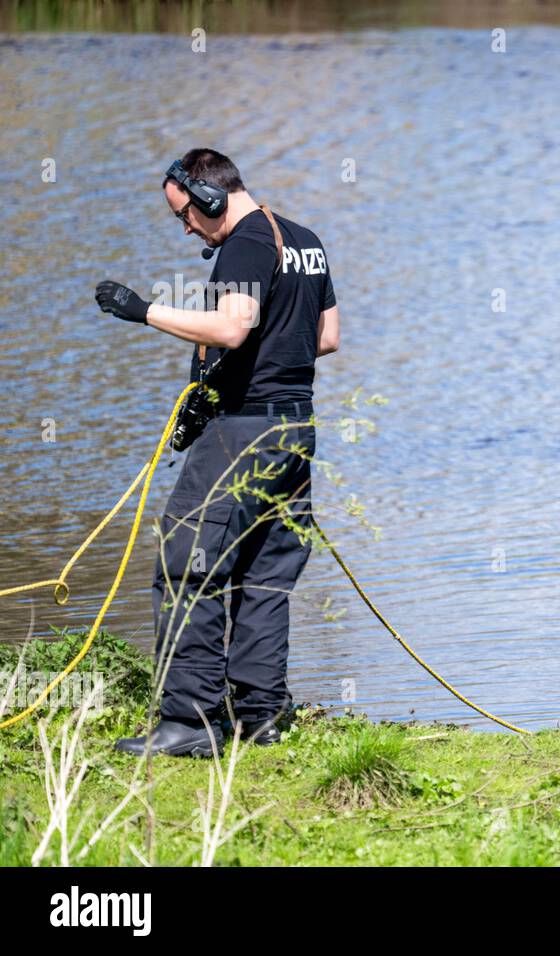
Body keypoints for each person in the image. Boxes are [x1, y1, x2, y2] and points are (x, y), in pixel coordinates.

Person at [96, 148, 340, 757]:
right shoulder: (304, 238)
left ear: (209, 198)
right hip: (293, 431)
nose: (185, 229)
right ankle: (261, 716)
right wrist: (224, 383)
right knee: (263, 574)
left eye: (185, 215)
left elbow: (233, 327)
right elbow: (326, 338)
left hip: (244, 436)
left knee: (187, 563)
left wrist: (143, 311)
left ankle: (190, 722)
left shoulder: (246, 243)